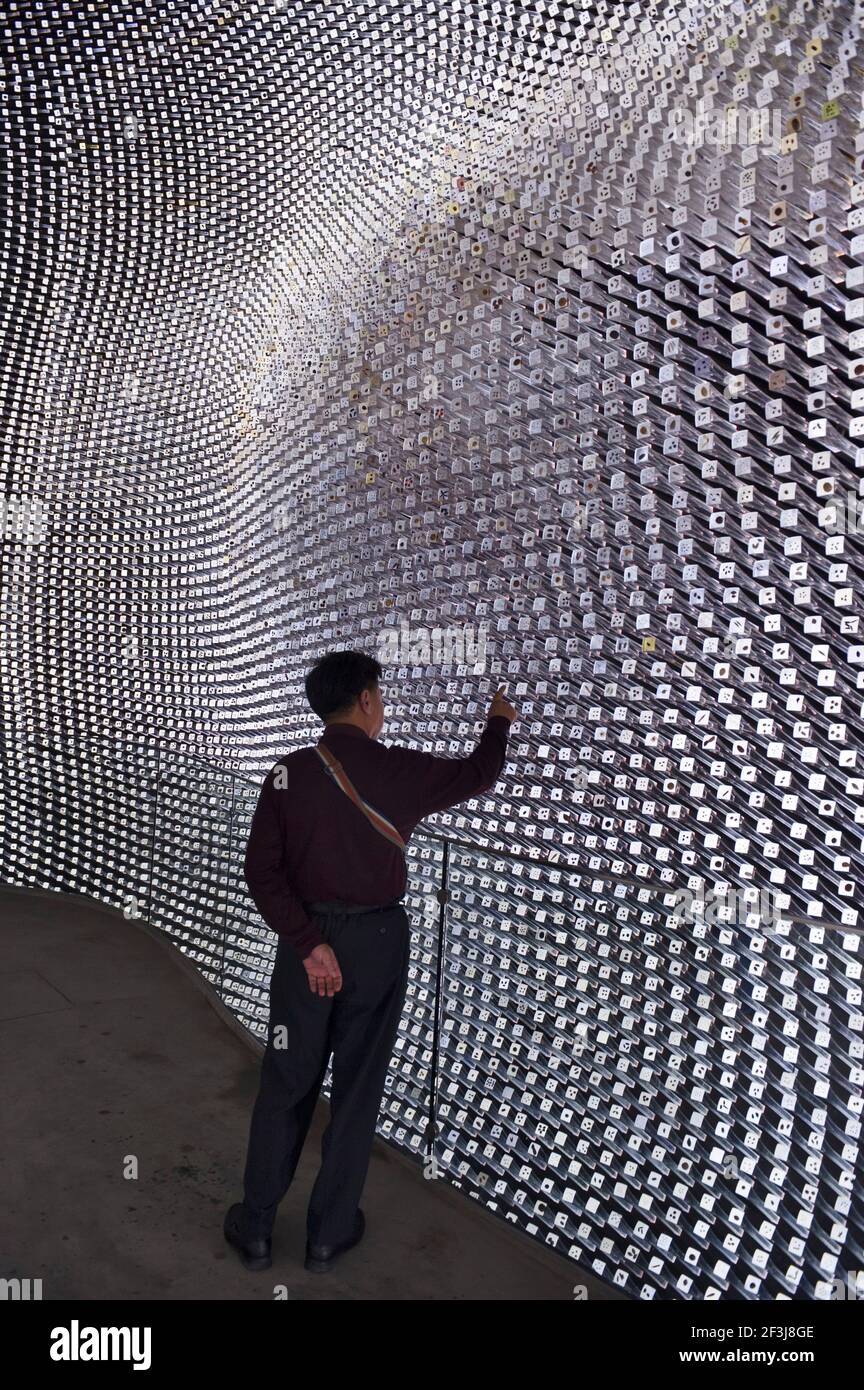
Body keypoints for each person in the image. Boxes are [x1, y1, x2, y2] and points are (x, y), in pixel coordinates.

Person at [224, 649, 518, 1273]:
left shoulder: (286, 774)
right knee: (357, 1089)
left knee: (287, 1082)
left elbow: (261, 872)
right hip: (377, 944)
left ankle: (255, 1229)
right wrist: (498, 721)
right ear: (364, 699)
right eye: (378, 694)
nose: (380, 705)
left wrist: (309, 944)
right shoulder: (396, 770)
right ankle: (328, 1236)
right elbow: (478, 774)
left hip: (307, 953)